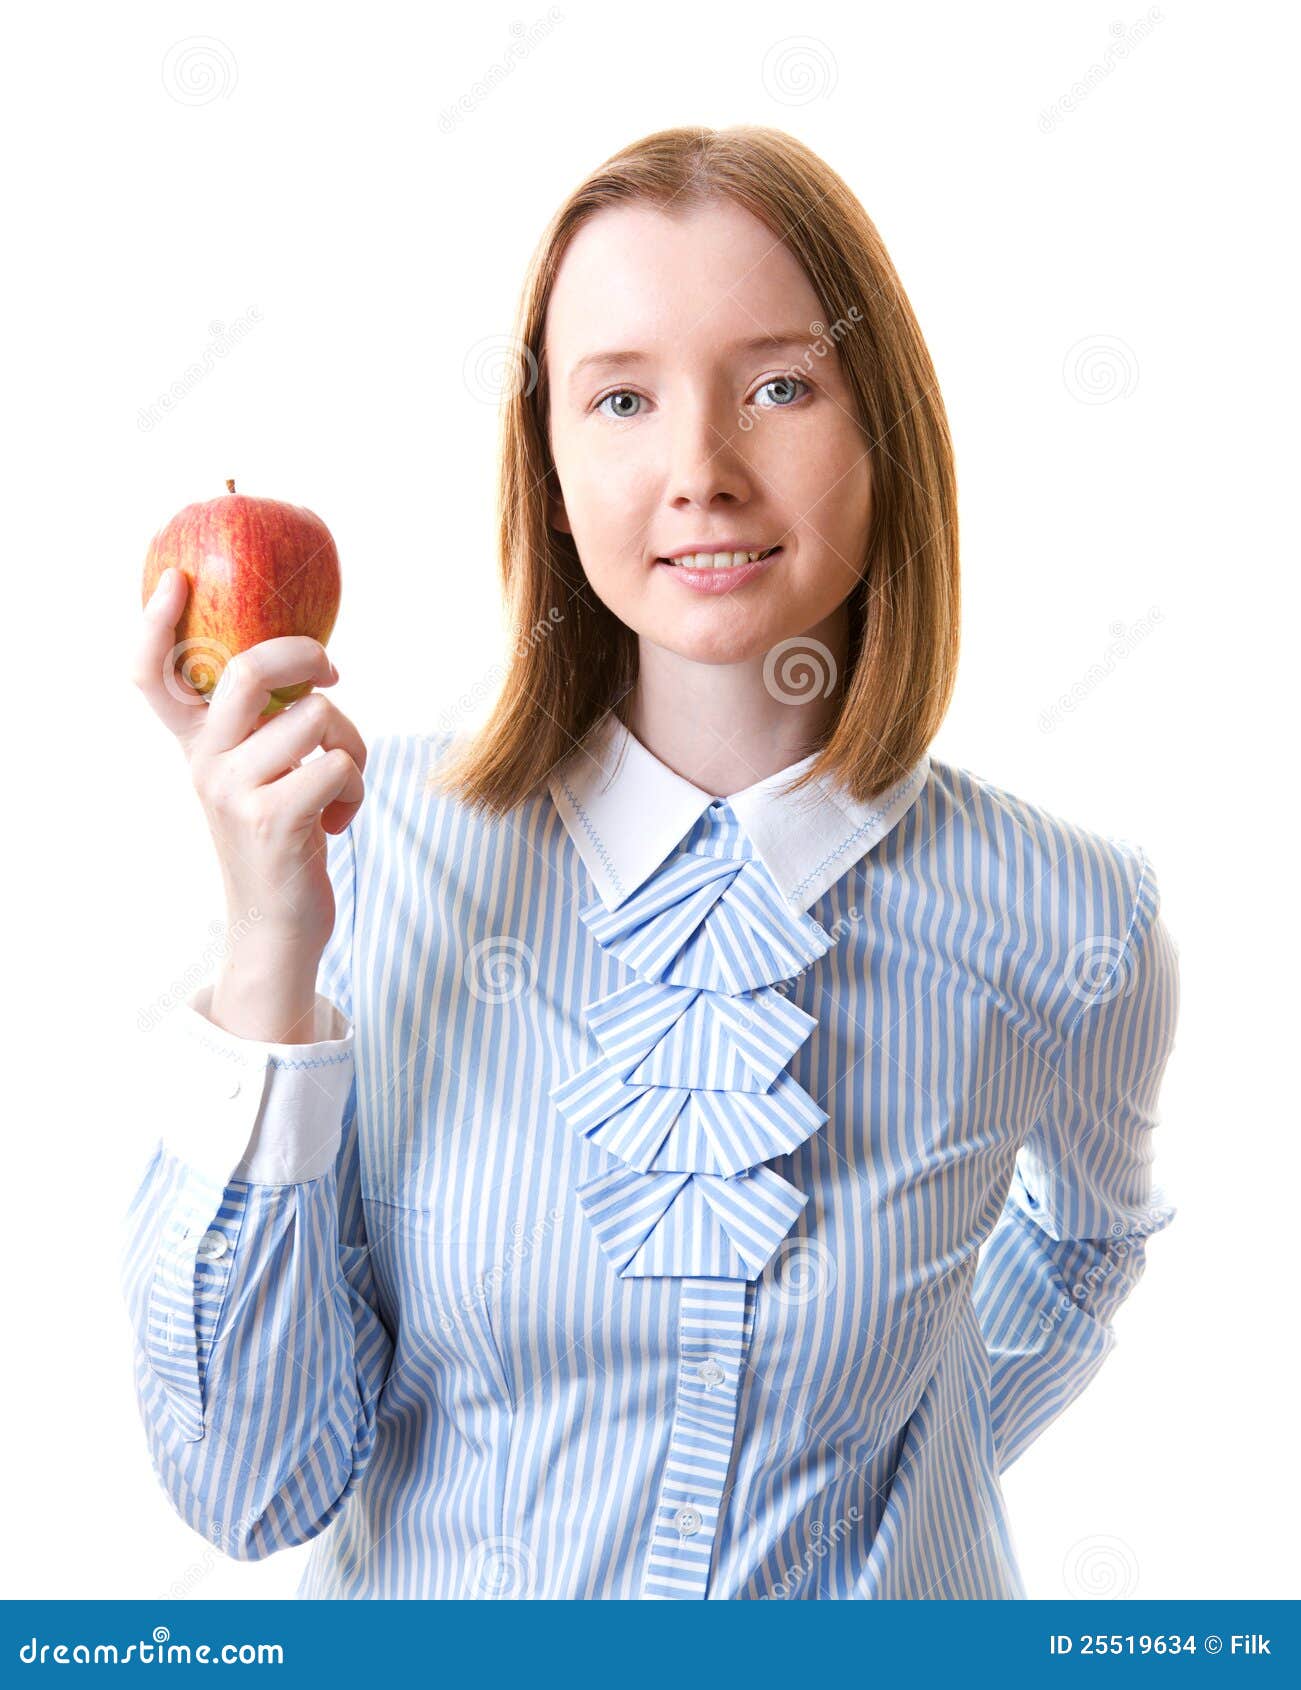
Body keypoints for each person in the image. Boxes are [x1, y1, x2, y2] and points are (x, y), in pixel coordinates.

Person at [121, 124, 1179, 1600]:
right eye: (620, 399)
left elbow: (1083, 1248)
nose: (701, 473)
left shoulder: (1072, 917)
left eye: (779, 387)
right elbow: (247, 1489)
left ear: (883, 431)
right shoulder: (369, 842)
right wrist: (268, 950)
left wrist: (886, 1474)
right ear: (551, 474)